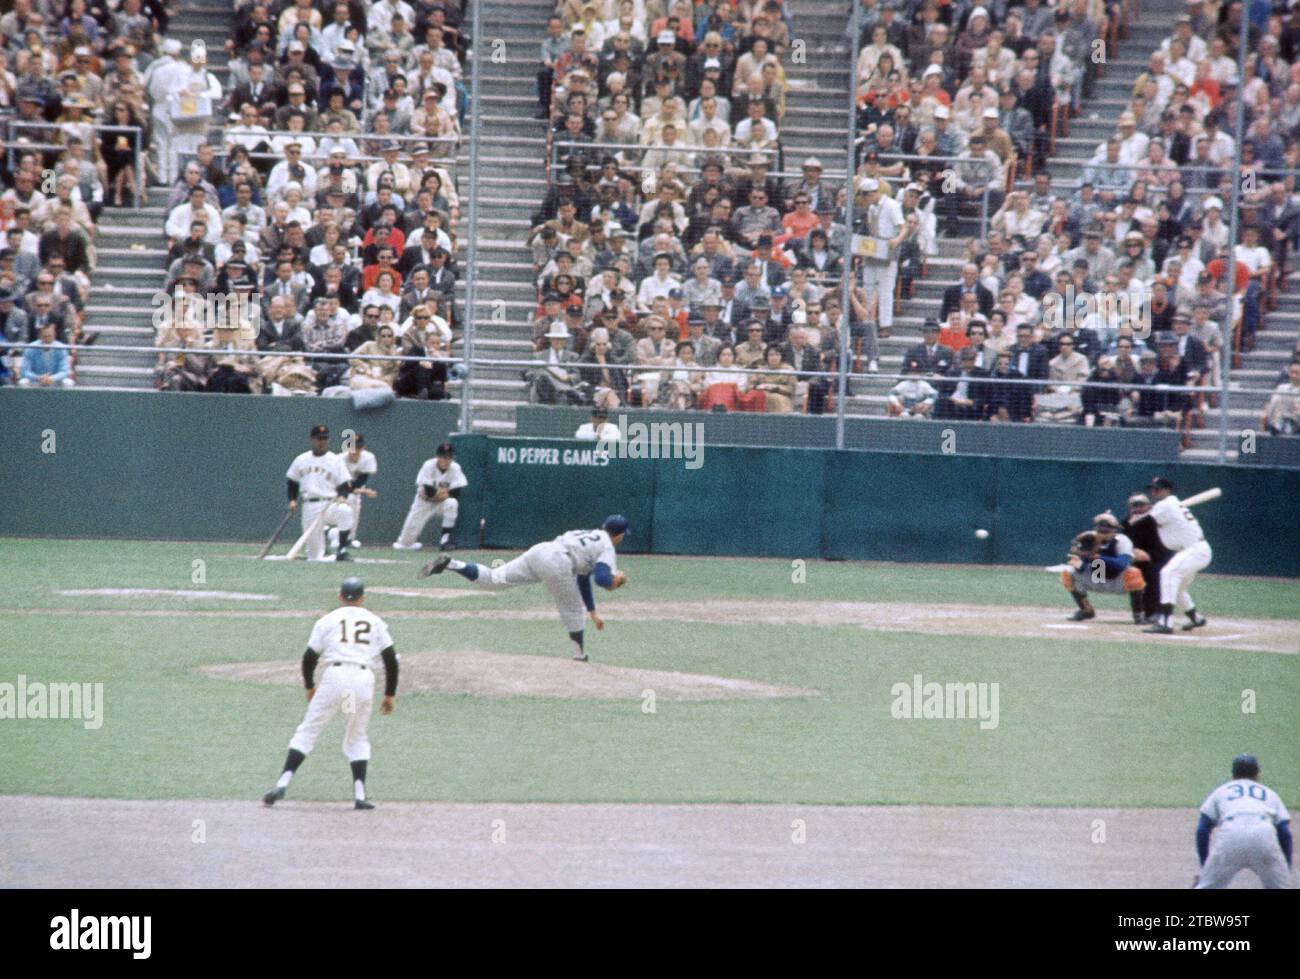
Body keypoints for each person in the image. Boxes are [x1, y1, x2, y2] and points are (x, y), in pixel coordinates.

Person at [261, 578, 398, 811]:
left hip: (335, 679)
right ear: (363, 598)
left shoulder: (327, 620)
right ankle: (360, 794)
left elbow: (309, 658)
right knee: (356, 736)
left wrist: (309, 687)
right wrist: (389, 695)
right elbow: (391, 660)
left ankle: (283, 781)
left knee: (308, 730)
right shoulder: (375, 621)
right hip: (361, 682)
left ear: (340, 596)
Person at [419, 515, 631, 663]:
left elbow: (584, 579)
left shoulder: (592, 534)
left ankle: (452, 563)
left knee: (493, 579)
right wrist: (617, 580)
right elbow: (602, 579)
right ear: (620, 535)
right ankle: (579, 657)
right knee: (573, 610)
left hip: (541, 551)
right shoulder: (607, 547)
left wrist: (593, 612)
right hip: (559, 562)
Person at [1194, 754, 1293, 890]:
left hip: (1231, 836)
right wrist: (1285, 868)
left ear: (1233, 774)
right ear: (1257, 774)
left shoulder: (1221, 791)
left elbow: (1202, 829)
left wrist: (1205, 868)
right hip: (1263, 834)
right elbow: (1284, 832)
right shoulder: (1270, 794)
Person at [1131, 477, 1211, 634]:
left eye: (1158, 489)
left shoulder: (1166, 504)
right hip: (1190, 551)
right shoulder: (1170, 505)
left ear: (1167, 490)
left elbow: (1144, 524)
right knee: (1177, 588)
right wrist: (1143, 515)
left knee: (1168, 573)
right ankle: (1196, 618)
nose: (1154, 492)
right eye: (1153, 489)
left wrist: (1134, 520)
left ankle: (1165, 622)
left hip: (1195, 550)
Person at [285, 424, 356, 562]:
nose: (322, 441)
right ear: (312, 439)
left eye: (325, 438)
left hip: (329, 503)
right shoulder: (301, 459)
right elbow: (292, 481)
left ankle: (341, 549)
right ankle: (328, 541)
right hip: (310, 506)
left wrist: (342, 496)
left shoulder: (335, 460)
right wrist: (292, 500)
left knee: (345, 510)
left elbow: (345, 484)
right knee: (314, 557)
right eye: (319, 438)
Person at [1058, 514, 1145, 622]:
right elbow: (1082, 566)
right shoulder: (1089, 539)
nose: (1103, 529)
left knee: (1134, 573)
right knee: (1068, 573)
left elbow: (1121, 564)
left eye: (1107, 526)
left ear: (1115, 529)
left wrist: (1098, 557)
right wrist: (1079, 562)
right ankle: (1086, 610)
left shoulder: (1121, 540)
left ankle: (1138, 615)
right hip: (1097, 578)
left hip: (1116, 581)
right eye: (1101, 526)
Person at [393, 442, 468, 552]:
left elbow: (456, 494)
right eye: (443, 457)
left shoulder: (455, 468)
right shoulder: (428, 465)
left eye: (449, 457)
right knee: (404, 544)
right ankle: (408, 542)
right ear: (437, 457)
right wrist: (441, 493)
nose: (446, 460)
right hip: (423, 502)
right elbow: (428, 492)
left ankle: (444, 541)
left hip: (441, 503)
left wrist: (436, 494)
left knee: (452, 503)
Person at [18, 321, 73, 387]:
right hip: (36, 381)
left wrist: (52, 378)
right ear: (40, 336)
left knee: (68, 382)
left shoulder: (61, 348)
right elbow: (25, 371)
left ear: (54, 335)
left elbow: (64, 371)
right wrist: (38, 377)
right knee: (23, 382)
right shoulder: (30, 348)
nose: (48, 339)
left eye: (50, 336)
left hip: (55, 381)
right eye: (45, 336)